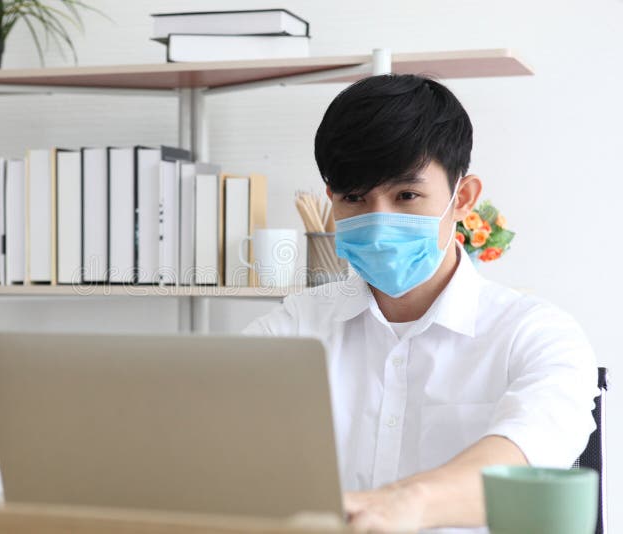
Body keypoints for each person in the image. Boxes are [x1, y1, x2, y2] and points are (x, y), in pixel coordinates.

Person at [242, 74, 599, 534]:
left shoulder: (536, 336)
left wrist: (404, 504)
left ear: (462, 198)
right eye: (355, 198)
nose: (378, 222)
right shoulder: (292, 328)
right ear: (332, 203)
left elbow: (527, 457)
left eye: (406, 195)